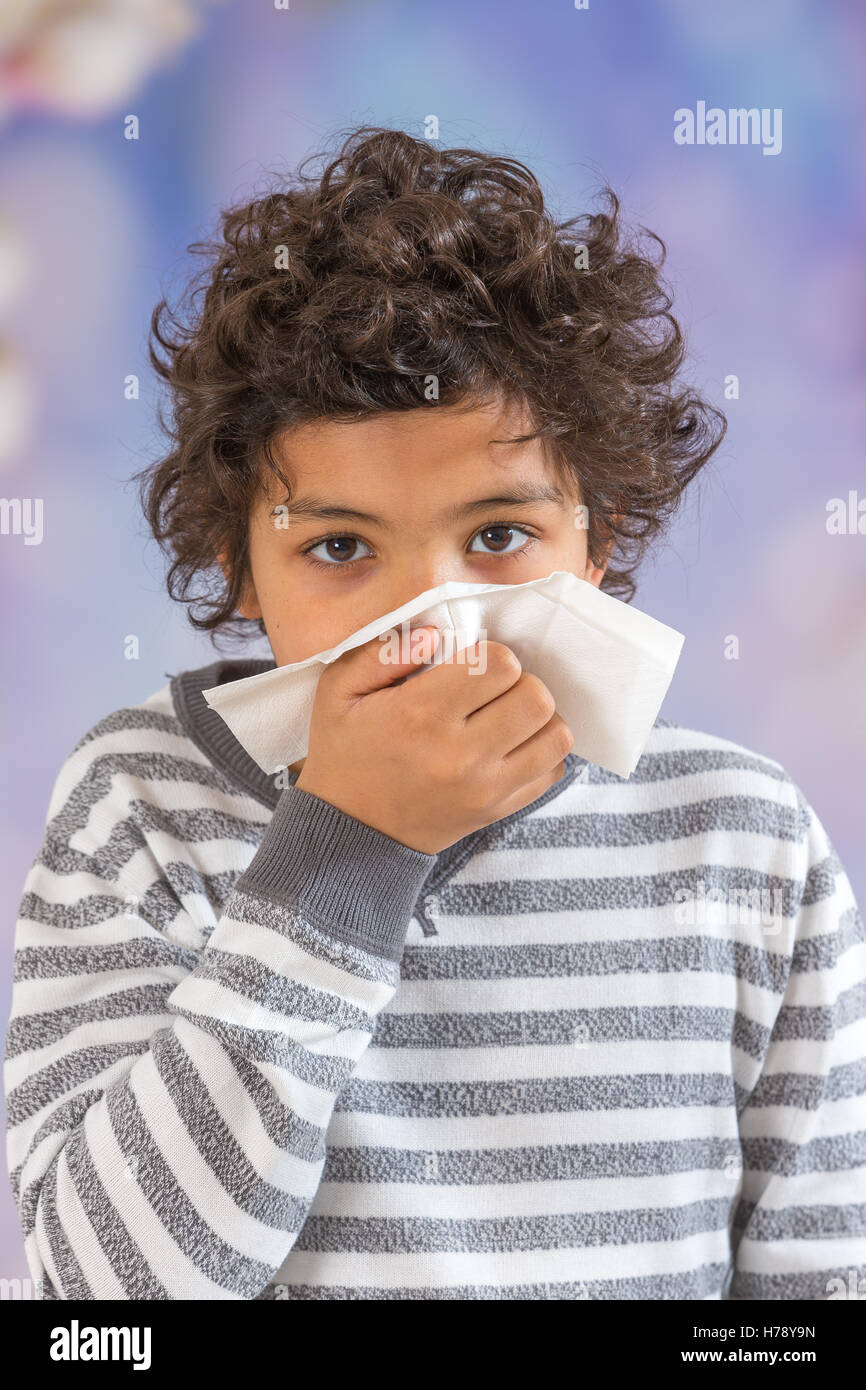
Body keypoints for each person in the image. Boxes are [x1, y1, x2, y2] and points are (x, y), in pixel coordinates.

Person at [5, 126, 864, 1301]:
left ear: (597, 544)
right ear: (239, 567)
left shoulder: (741, 836)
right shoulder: (142, 802)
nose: (429, 621)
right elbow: (104, 1298)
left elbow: (814, 1287)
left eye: (499, 537)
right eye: (340, 547)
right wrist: (345, 848)